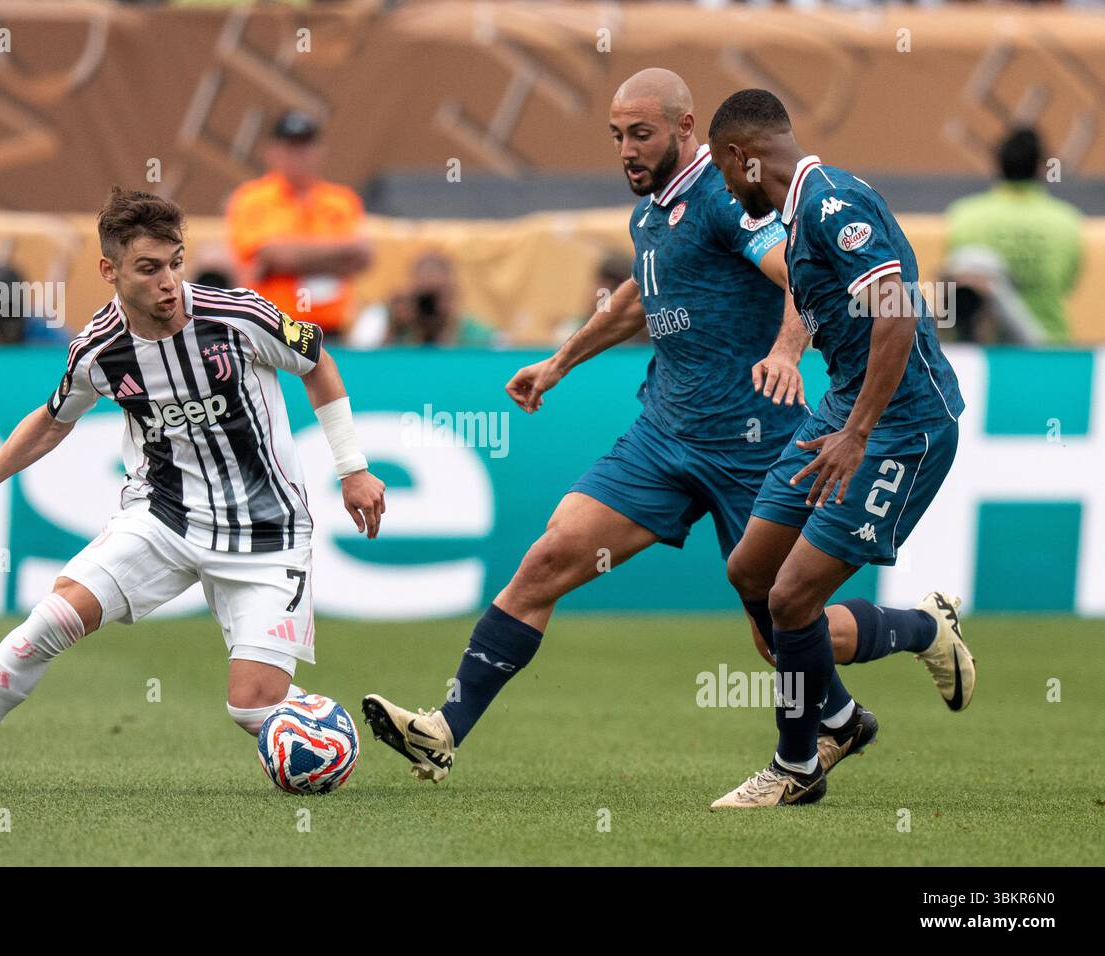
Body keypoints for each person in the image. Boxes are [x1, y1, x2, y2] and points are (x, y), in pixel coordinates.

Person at [361, 70, 958, 786]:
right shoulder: (650, 214)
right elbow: (637, 301)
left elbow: (802, 275)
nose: (626, 150)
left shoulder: (728, 198)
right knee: (550, 558)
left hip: (755, 447)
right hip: (664, 436)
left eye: (640, 134)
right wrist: (559, 363)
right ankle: (443, 729)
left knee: (785, 631)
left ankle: (917, 635)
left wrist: (785, 350)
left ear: (685, 128)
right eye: (616, 136)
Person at [0, 187, 386, 794]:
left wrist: (353, 467)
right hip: (165, 520)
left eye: (175, 262)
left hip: (269, 534)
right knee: (46, 624)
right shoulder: (99, 349)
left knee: (253, 711)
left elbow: (317, 361)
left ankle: (321, 723)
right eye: (149, 268)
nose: (168, 282)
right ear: (110, 270)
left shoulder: (239, 316)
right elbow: (52, 420)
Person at [707, 89, 975, 809]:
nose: (729, 194)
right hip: (845, 407)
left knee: (794, 599)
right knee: (753, 573)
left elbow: (897, 312)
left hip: (901, 426)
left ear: (742, 157)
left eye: (727, 177)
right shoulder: (799, 214)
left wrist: (858, 434)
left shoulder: (831, 204)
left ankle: (796, 766)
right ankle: (875, 681)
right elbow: (827, 306)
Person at [224, 111, 373, 342]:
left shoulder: (341, 200)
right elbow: (272, 254)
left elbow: (362, 256)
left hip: (331, 330)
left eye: (305, 147)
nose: (298, 156)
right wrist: (337, 256)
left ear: (320, 151)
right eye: (290, 147)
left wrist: (294, 256)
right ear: (272, 152)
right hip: (270, 328)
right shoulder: (251, 198)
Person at [944, 127, 1083, 344]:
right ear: (1041, 167)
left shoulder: (964, 216)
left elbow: (958, 293)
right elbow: (1067, 283)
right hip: (1052, 353)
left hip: (988, 354)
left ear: (998, 165)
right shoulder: (1067, 221)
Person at [351, 251, 498, 348]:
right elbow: (361, 361)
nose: (430, 305)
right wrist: (393, 329)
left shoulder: (480, 336)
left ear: (452, 294)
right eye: (424, 297)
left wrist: (449, 328)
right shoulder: (382, 318)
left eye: (436, 296)